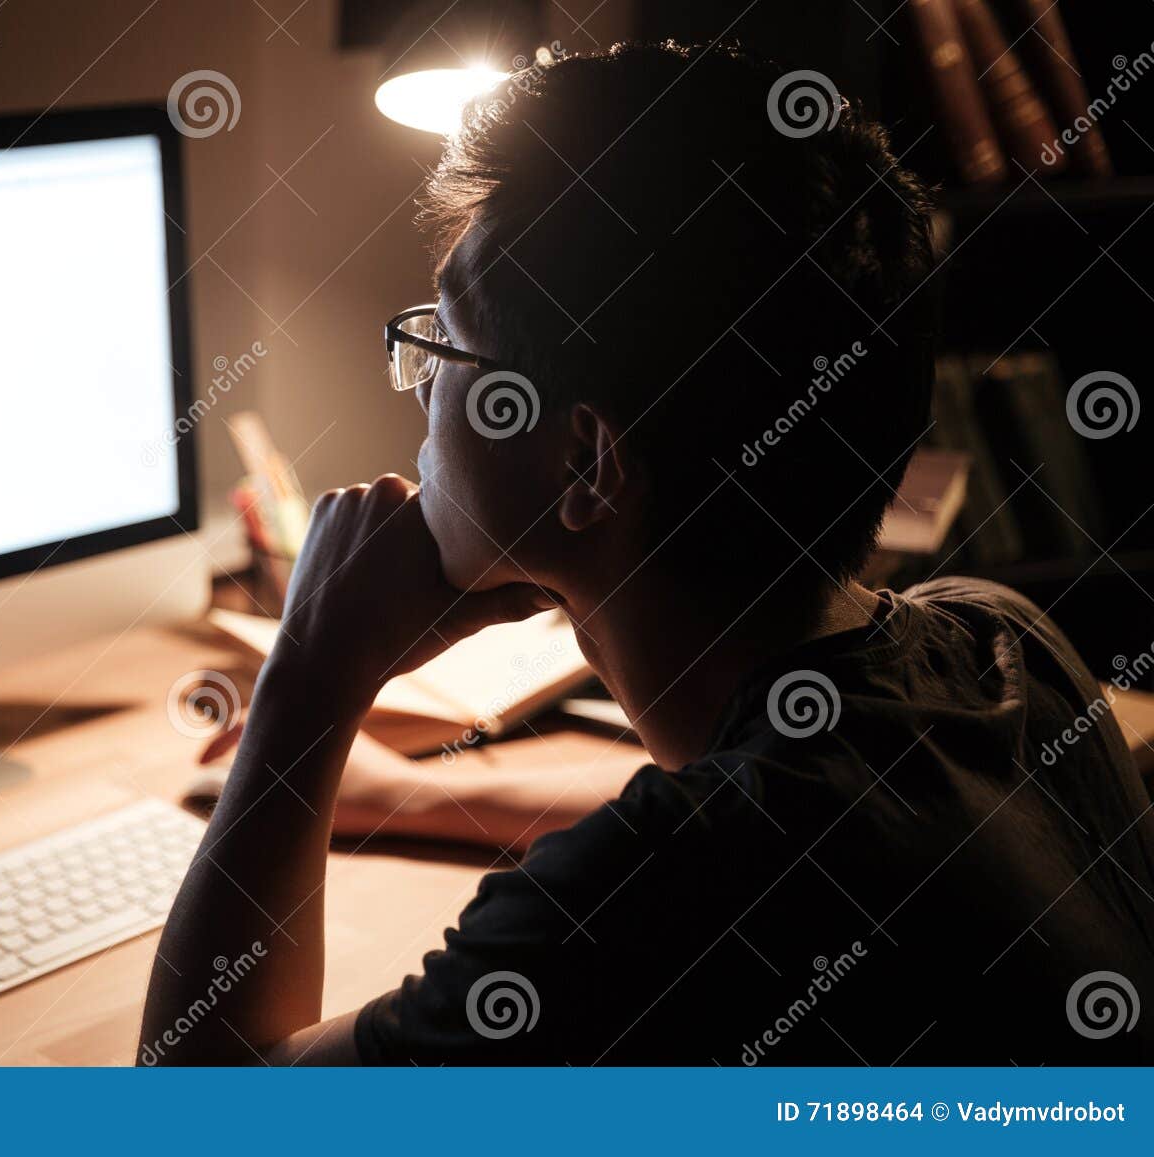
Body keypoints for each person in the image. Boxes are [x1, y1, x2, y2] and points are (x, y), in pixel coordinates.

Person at [139, 41, 1154, 1065]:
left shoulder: (635, 913)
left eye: (439, 345)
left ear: (584, 465)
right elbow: (759, 804)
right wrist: (420, 791)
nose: (416, 389)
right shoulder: (999, 645)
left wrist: (309, 678)